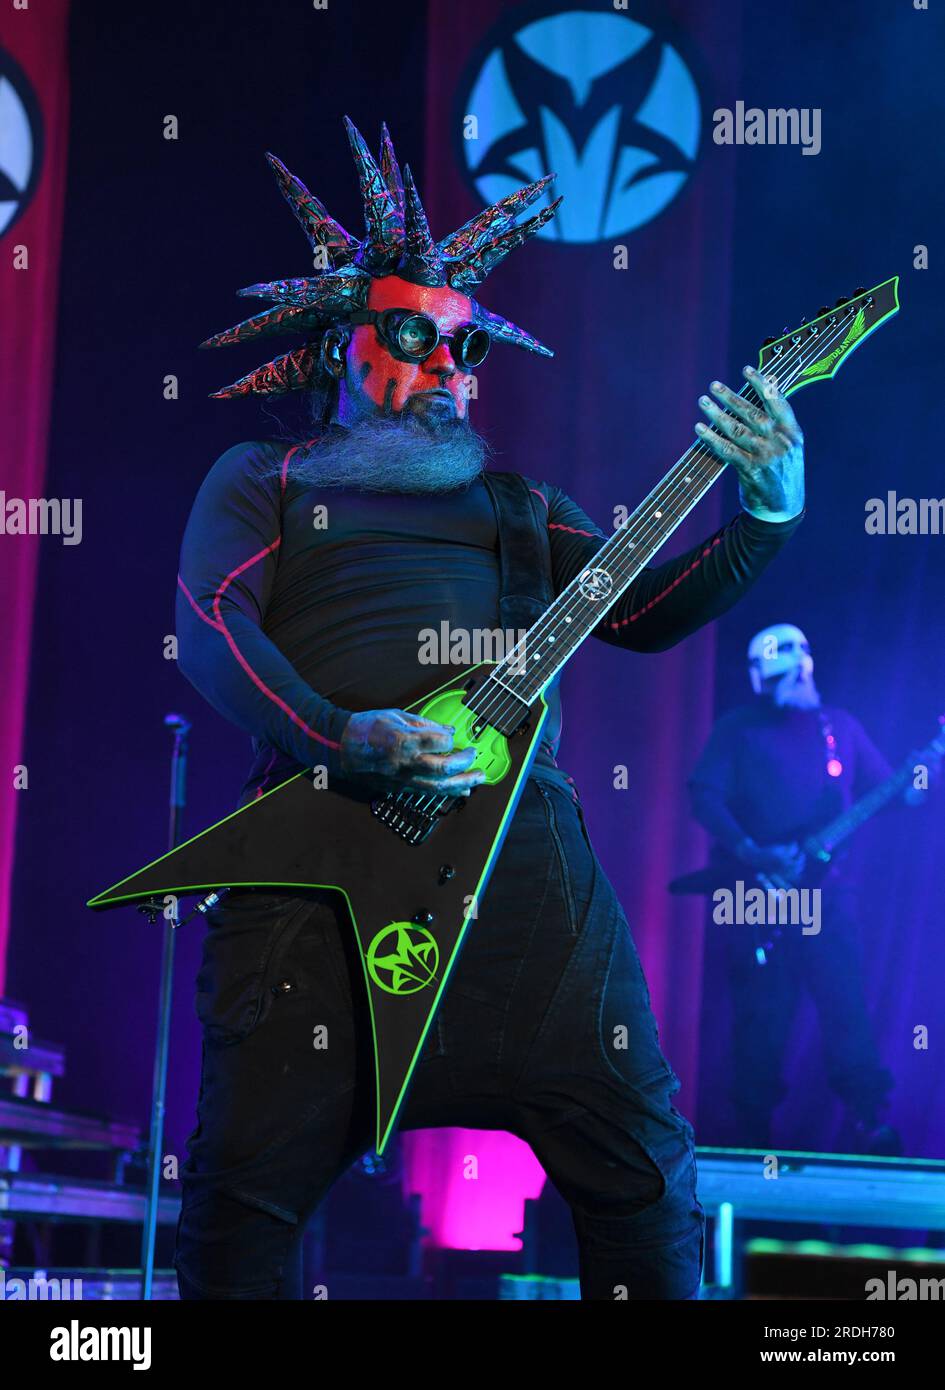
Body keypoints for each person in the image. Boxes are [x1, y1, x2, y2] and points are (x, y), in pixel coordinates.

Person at [172, 118, 805, 1300]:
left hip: (527, 891)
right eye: (416, 335)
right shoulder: (266, 480)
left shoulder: (520, 505)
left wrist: (769, 512)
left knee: (645, 1182)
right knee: (241, 1206)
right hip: (315, 880)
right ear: (339, 348)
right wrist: (338, 734)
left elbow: (646, 604)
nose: (448, 372)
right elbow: (213, 623)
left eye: (465, 352)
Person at [688, 623, 927, 1154]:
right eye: (782, 665)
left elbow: (891, 794)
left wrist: (923, 775)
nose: (795, 670)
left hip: (829, 897)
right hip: (755, 894)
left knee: (846, 1006)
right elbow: (704, 795)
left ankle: (870, 1121)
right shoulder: (738, 729)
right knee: (761, 1018)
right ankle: (751, 1140)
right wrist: (753, 851)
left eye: (800, 660)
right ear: (759, 676)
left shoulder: (837, 727)